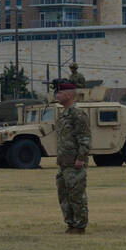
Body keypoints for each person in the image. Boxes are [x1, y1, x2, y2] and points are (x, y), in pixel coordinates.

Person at [53, 81, 90, 233]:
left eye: (60, 93)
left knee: (76, 195)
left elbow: (85, 138)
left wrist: (81, 158)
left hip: (75, 162)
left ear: (69, 95)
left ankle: (80, 225)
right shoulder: (63, 114)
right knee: (64, 195)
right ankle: (71, 223)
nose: (57, 95)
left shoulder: (77, 113)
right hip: (64, 162)